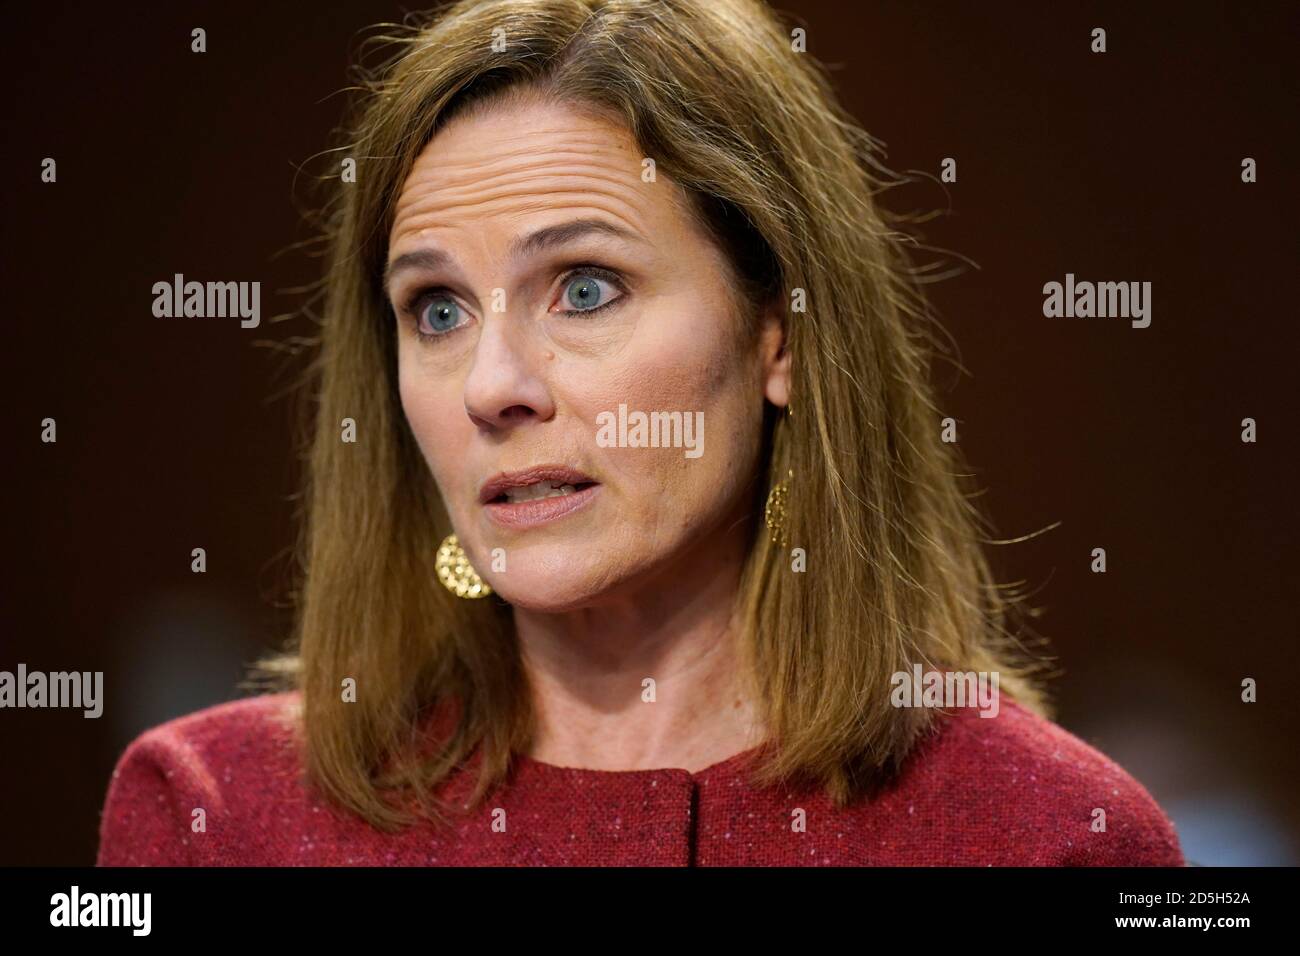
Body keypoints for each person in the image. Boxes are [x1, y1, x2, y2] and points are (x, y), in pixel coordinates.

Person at [97, 0, 1184, 866]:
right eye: (436, 307)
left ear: (781, 336)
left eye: (582, 287)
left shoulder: (1046, 836)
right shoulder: (217, 817)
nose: (492, 385)